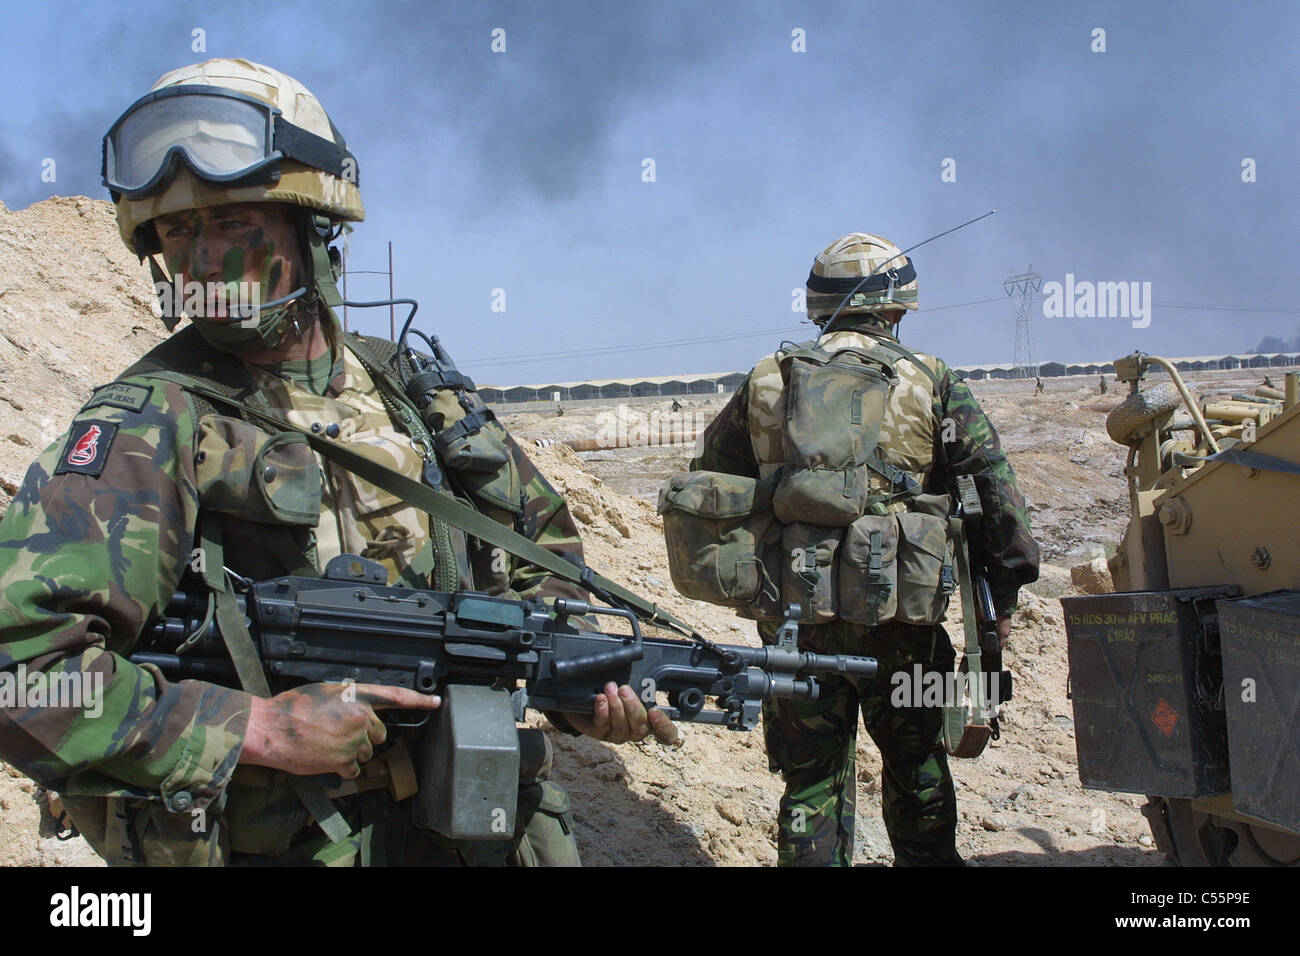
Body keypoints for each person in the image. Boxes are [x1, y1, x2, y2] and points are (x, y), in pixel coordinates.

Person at [0, 59, 674, 867]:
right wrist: (255, 728)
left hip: (464, 830)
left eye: (233, 222)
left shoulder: (417, 394)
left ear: (313, 224)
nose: (204, 259)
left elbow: (545, 560)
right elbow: (24, 675)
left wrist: (578, 686)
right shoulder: (151, 425)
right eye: (179, 232)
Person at [683, 233, 1038, 866]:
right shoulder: (930, 379)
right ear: (895, 308)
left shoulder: (768, 378)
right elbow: (992, 494)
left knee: (811, 780)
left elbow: (715, 479)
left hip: (796, 618)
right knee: (917, 766)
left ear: (820, 306)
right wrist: (1002, 596)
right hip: (903, 617)